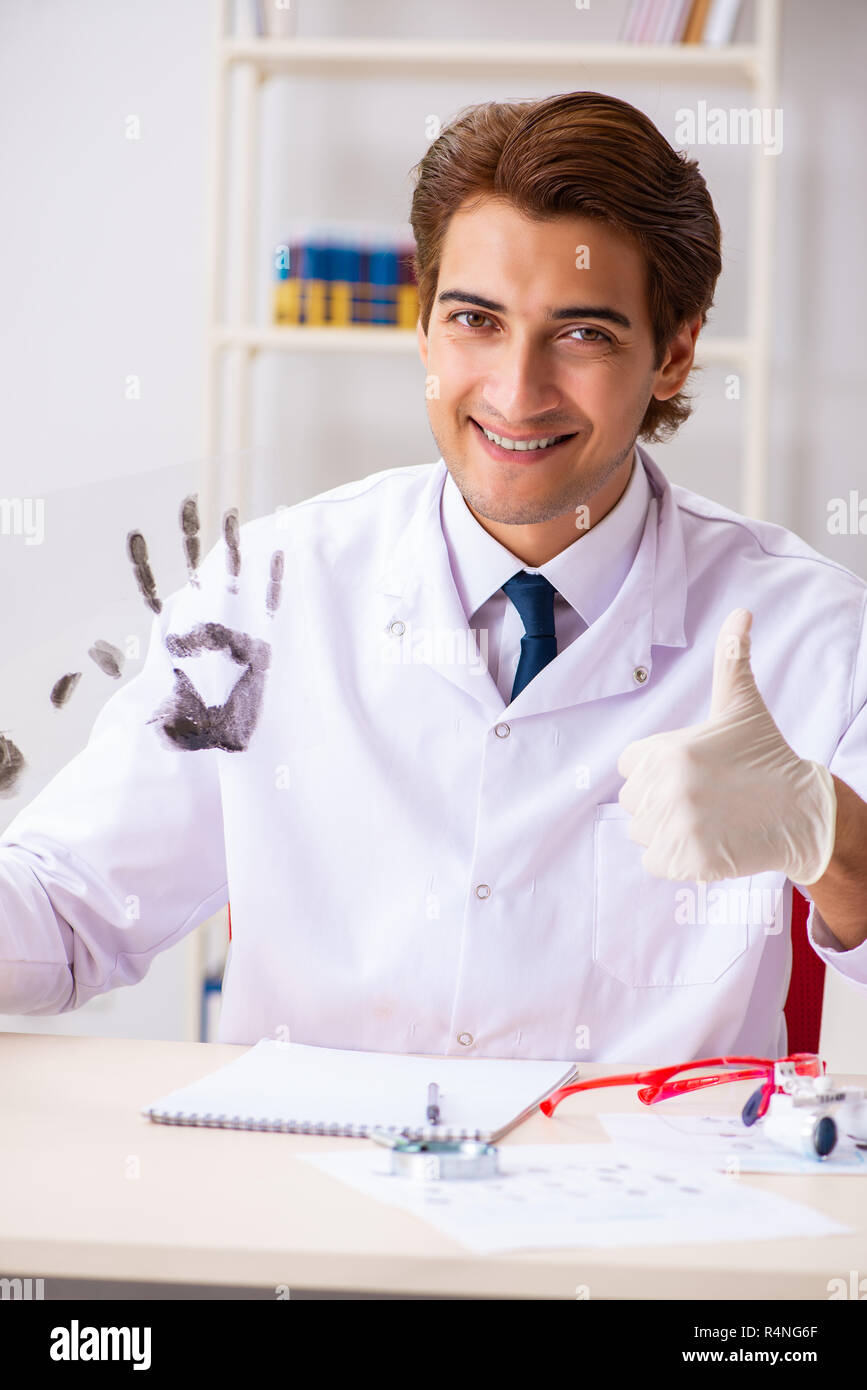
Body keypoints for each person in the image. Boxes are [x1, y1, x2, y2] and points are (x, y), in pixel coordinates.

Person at [1, 91, 865, 1064]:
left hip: (654, 1204)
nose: (515, 389)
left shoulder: (810, 630)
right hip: (305, 1198)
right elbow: (68, 908)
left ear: (673, 353)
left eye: (582, 333)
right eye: (475, 320)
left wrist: (826, 830)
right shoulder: (266, 591)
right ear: (422, 330)